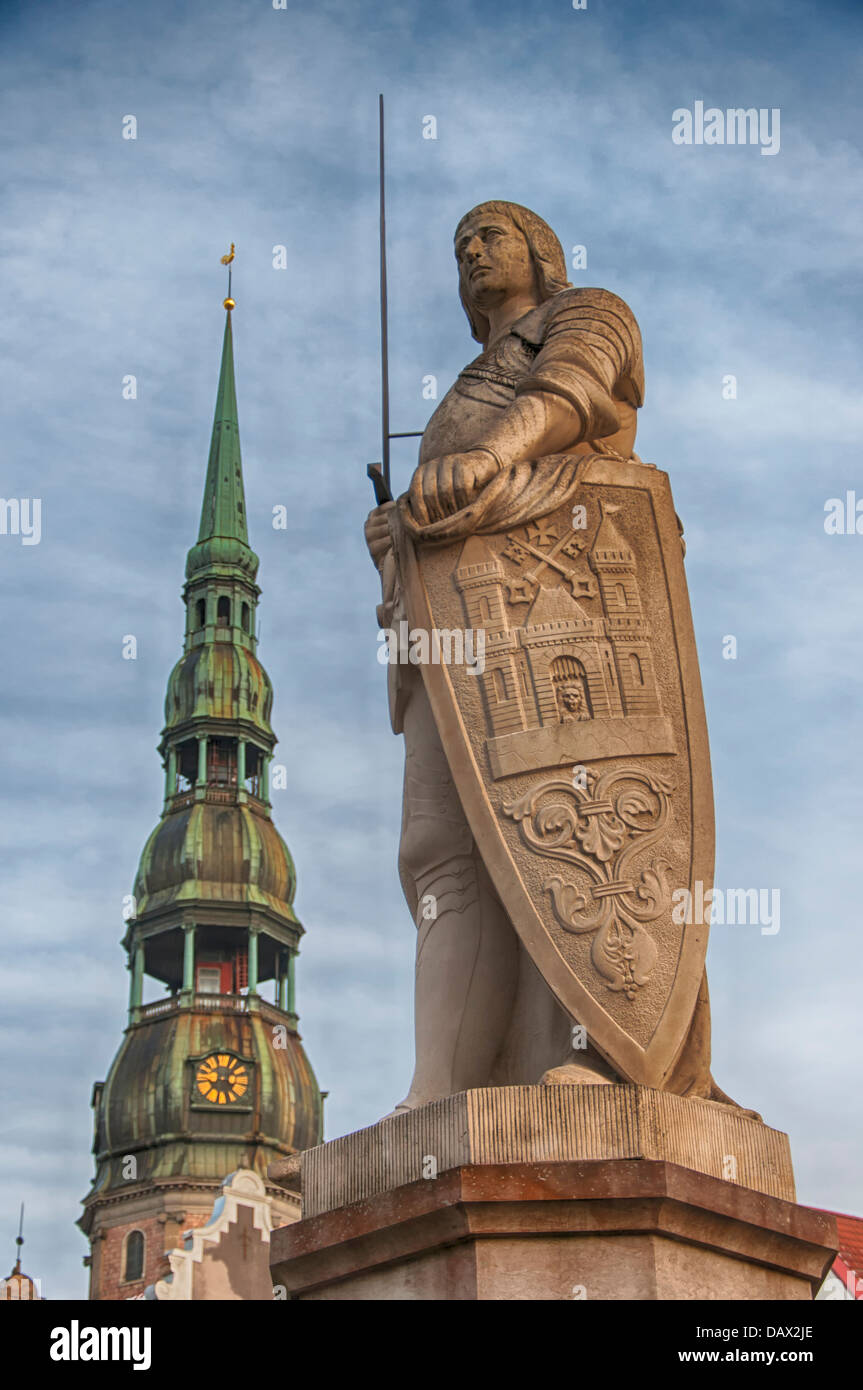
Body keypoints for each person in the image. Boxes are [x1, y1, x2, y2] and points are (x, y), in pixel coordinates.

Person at [366, 201, 744, 1114]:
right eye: (458, 244)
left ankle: (616, 1057)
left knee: (591, 828)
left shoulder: (585, 313)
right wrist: (398, 538)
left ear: (541, 252)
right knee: (440, 850)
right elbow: (449, 518)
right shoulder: (463, 383)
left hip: (570, 597)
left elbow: (572, 393)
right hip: (454, 636)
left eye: (488, 235)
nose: (468, 250)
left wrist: (490, 455)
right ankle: (440, 1086)